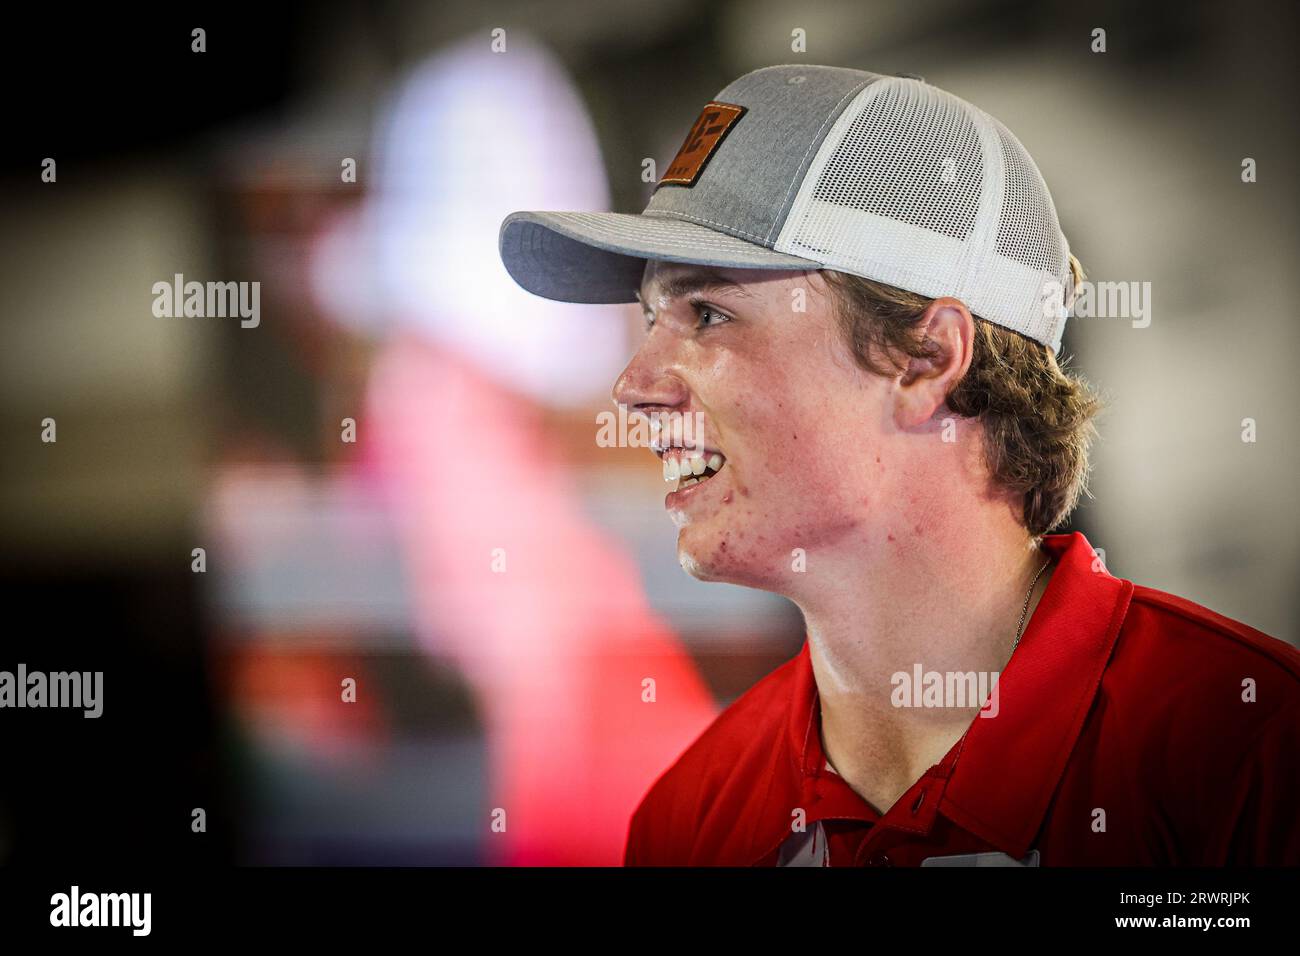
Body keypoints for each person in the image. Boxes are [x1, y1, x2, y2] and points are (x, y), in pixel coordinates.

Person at [498, 64, 1300, 865]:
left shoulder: (1250, 752)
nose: (632, 386)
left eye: (707, 313)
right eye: (649, 318)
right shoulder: (689, 820)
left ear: (926, 358)